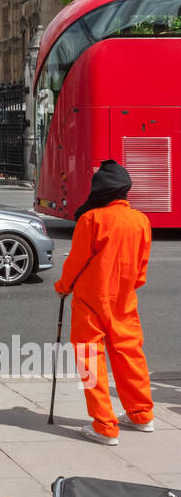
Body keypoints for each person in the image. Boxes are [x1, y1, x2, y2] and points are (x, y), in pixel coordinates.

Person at [55, 159, 152, 445]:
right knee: (129, 355)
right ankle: (141, 414)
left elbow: (76, 262)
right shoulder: (141, 221)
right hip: (124, 299)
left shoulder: (91, 220)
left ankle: (104, 425)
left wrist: (63, 287)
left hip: (90, 300)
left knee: (90, 361)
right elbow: (141, 268)